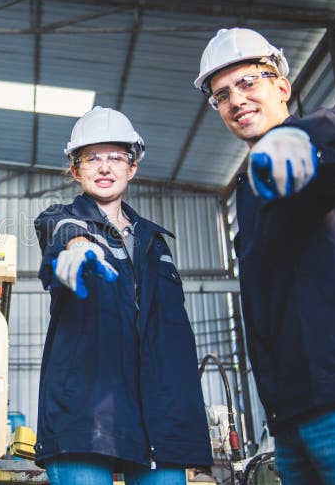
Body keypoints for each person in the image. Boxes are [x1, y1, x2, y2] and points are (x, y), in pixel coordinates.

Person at [195, 27, 335, 484]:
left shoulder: (324, 128)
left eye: (248, 83)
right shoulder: (248, 192)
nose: (236, 100)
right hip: (289, 417)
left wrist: (294, 154)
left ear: (281, 86)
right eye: (222, 95)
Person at [33, 106, 212, 485]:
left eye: (116, 157)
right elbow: (61, 230)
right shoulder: (61, 219)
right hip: (85, 416)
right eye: (92, 158)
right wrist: (77, 248)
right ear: (75, 169)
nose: (104, 167)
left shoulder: (154, 241)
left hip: (158, 421)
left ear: (132, 168)